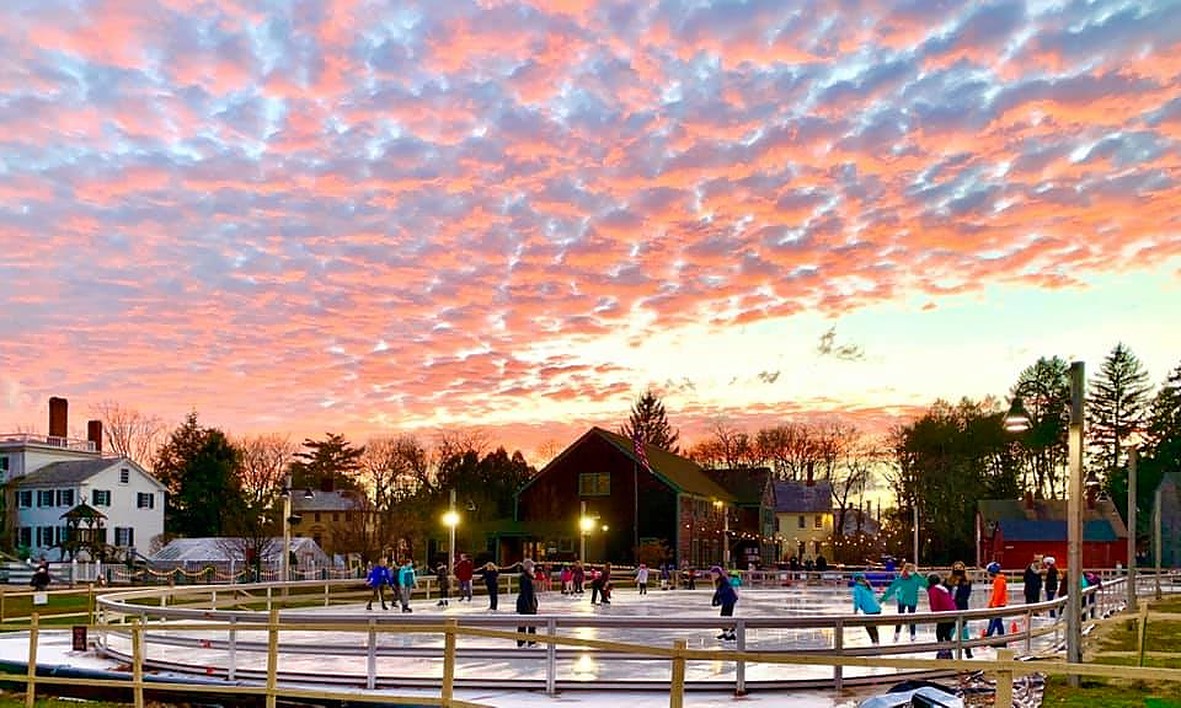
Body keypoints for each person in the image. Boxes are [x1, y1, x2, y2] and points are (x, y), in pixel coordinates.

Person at [881, 562, 927, 642]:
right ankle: (897, 633)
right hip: (902, 600)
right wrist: (883, 599)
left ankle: (913, 634)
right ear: (906, 570)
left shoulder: (916, 578)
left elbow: (926, 584)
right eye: (910, 570)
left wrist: (920, 577)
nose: (912, 572)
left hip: (912, 601)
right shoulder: (900, 579)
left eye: (913, 570)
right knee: (900, 617)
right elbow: (891, 589)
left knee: (912, 618)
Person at [927, 573, 957, 659]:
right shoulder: (942, 588)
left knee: (939, 633)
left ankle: (942, 650)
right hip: (952, 613)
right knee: (946, 633)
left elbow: (934, 603)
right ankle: (948, 649)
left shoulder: (933, 590)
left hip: (944, 614)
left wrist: (934, 614)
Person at [950, 561, 974, 658]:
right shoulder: (949, 580)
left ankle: (968, 650)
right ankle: (946, 650)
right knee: (950, 630)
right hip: (950, 609)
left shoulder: (966, 581)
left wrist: (957, 601)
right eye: (956, 568)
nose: (958, 569)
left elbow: (965, 595)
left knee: (964, 630)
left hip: (962, 608)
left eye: (960, 568)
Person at [851, 572, 882, 644]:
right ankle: (876, 641)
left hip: (869, 610)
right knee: (872, 626)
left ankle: (875, 642)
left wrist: (855, 610)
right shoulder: (867, 586)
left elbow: (857, 600)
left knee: (869, 626)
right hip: (877, 609)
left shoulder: (857, 588)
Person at [710, 565, 739, 641]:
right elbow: (718, 591)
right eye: (713, 574)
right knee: (723, 616)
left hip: (729, 600)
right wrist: (714, 600)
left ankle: (731, 633)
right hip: (726, 600)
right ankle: (726, 632)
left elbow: (724, 590)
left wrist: (718, 600)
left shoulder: (723, 580)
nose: (714, 576)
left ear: (719, 574)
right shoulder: (718, 581)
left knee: (726, 616)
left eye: (715, 574)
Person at [515, 559, 539, 647]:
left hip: (531, 603)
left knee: (532, 624)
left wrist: (535, 603)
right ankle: (522, 642)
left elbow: (532, 593)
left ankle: (531, 641)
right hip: (525, 604)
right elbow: (524, 592)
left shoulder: (530, 577)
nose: (533, 568)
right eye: (532, 566)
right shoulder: (524, 577)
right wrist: (529, 606)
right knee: (523, 624)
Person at [984, 562, 1007, 637]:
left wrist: (994, 605)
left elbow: (998, 594)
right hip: (998, 604)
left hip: (998, 605)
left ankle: (989, 635)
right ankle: (999, 636)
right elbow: (995, 594)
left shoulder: (999, 580)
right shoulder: (998, 579)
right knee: (997, 621)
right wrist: (991, 604)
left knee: (995, 622)